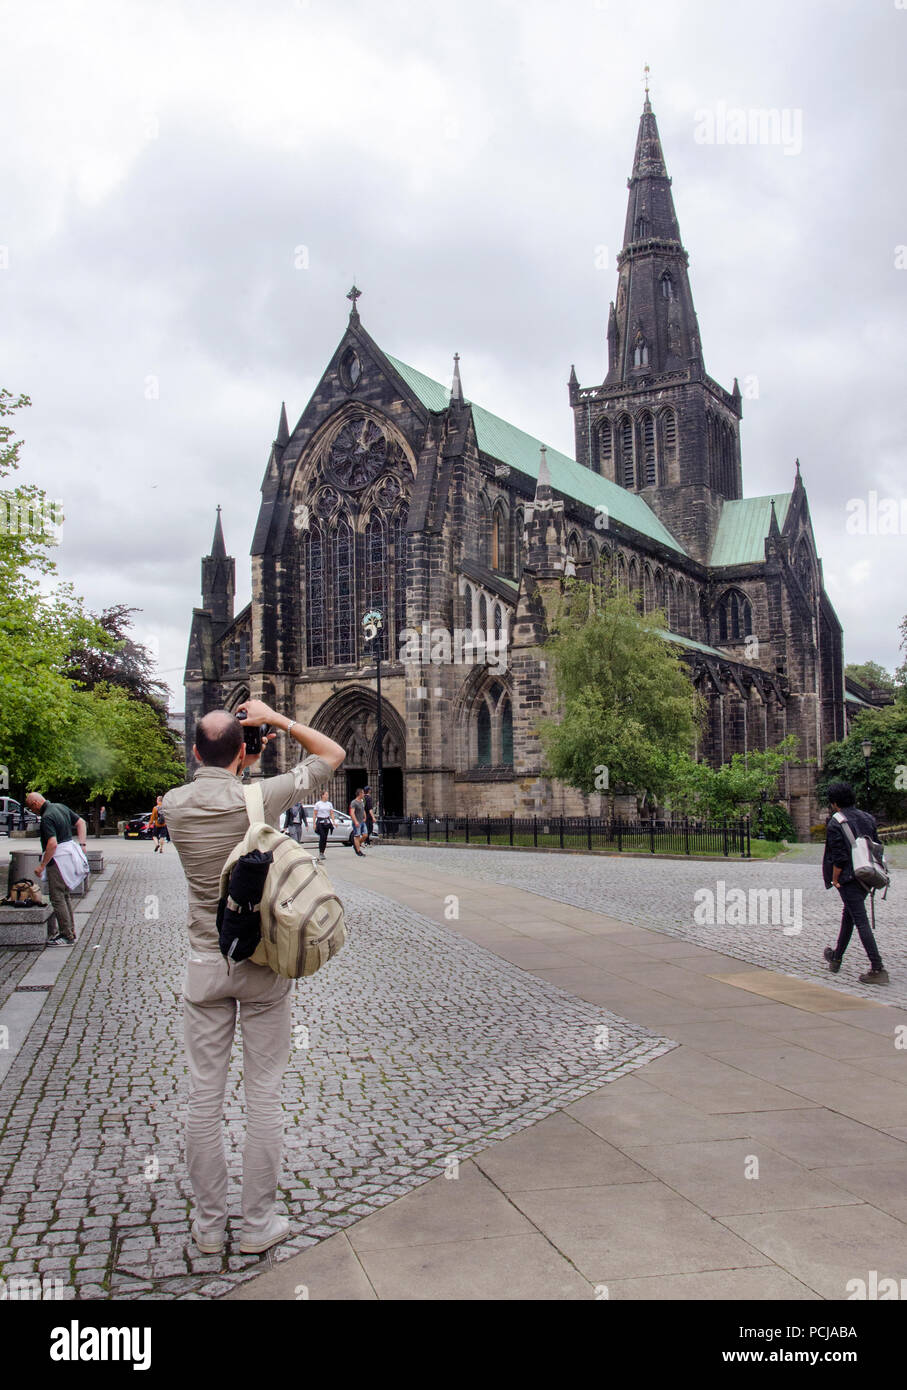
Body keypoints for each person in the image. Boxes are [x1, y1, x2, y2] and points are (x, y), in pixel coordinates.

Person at [162, 700, 344, 1258]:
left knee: (203, 1096)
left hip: (205, 964)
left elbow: (211, 786)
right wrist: (278, 721)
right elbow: (332, 754)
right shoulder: (260, 797)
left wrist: (236, 757)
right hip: (260, 961)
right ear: (243, 750)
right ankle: (257, 1223)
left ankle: (209, 1226)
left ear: (193, 752)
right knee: (262, 1095)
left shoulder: (172, 805)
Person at [822, 781, 889, 985]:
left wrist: (834, 878)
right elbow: (876, 847)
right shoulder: (867, 817)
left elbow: (839, 857)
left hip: (849, 878)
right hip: (867, 875)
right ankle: (836, 956)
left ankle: (877, 968)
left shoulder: (836, 822)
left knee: (860, 920)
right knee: (849, 916)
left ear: (834, 803)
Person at [25, 792, 88, 946]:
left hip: (58, 860)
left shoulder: (47, 817)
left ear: (35, 804)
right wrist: (82, 844)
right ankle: (70, 930)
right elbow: (81, 822)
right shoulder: (60, 807)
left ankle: (66, 935)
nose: (32, 811)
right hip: (68, 856)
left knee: (57, 896)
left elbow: (52, 843)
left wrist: (42, 865)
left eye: (31, 808)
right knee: (64, 894)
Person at [313, 793, 336, 862]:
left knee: (325, 837)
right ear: (322, 795)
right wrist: (314, 823)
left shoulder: (329, 804)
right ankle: (320, 852)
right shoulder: (318, 804)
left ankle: (322, 852)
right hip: (320, 821)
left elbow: (331, 813)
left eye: (327, 795)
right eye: (326, 794)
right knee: (322, 836)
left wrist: (334, 821)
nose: (327, 796)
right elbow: (315, 814)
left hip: (327, 821)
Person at [349, 788, 367, 857]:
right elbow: (352, 813)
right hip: (357, 822)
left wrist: (365, 817)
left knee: (365, 835)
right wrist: (355, 821)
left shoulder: (362, 801)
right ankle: (358, 851)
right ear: (359, 794)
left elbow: (363, 810)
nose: (364, 794)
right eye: (363, 793)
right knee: (357, 836)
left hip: (362, 821)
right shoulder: (354, 802)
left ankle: (356, 844)